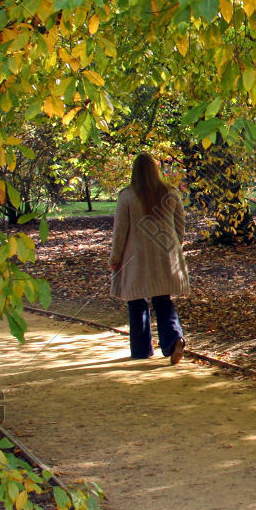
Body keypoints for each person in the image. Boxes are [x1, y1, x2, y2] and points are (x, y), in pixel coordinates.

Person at [110, 152, 191, 363]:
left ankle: (141, 350)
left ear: (134, 172)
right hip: (166, 256)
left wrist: (115, 258)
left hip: (135, 258)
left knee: (137, 302)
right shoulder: (171, 193)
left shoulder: (127, 196)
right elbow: (180, 226)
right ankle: (174, 339)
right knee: (163, 300)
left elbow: (120, 231)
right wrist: (174, 246)